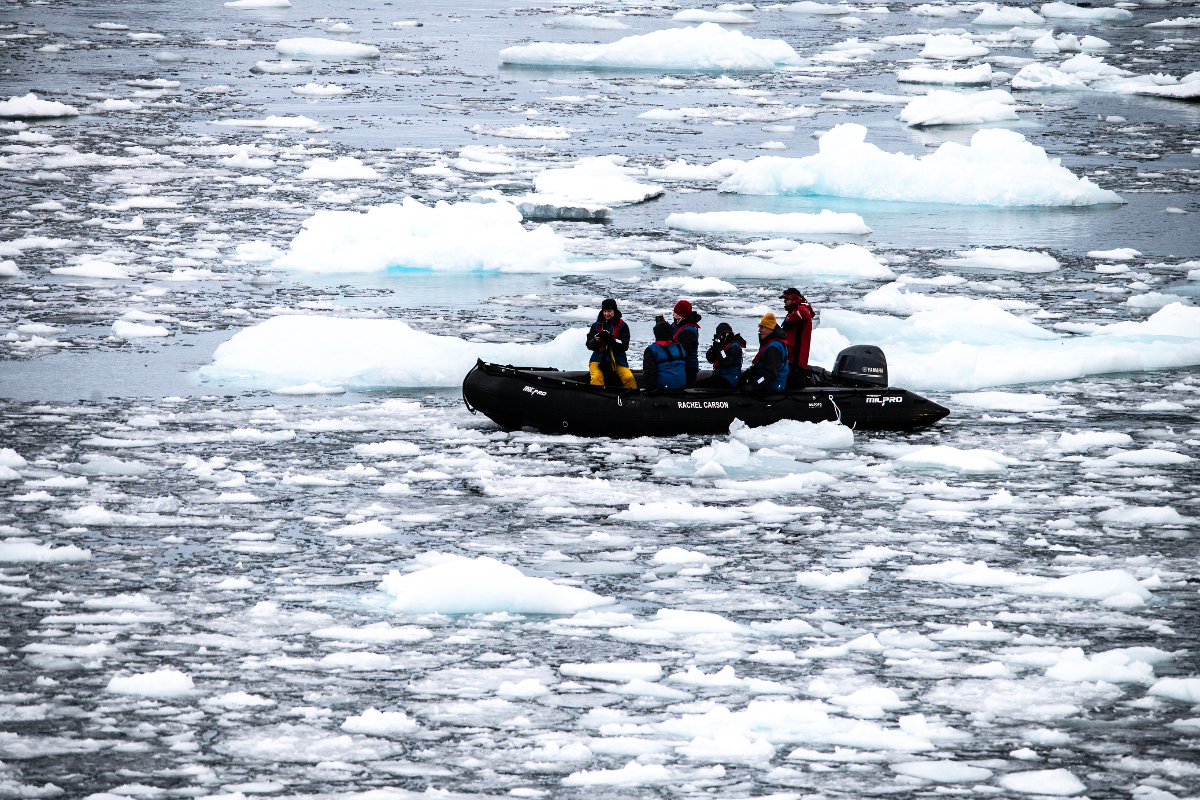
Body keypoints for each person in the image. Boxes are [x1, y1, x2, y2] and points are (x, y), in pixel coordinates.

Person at [586, 298, 637, 388]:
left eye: (609, 311)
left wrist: (611, 340)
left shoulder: (622, 326)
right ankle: (598, 399)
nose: (607, 314)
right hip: (598, 359)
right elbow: (589, 345)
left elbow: (624, 346)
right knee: (596, 377)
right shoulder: (596, 325)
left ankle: (632, 399)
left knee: (629, 378)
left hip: (618, 359)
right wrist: (596, 340)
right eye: (605, 311)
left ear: (614, 311)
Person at [740, 313, 789, 391]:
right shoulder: (770, 341)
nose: (759, 331)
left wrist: (753, 386)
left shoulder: (773, 348)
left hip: (771, 385)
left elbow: (771, 374)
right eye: (759, 327)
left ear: (771, 329)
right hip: (764, 379)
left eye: (763, 328)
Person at [780, 287, 814, 389]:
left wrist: (787, 319)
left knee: (793, 386)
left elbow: (804, 314)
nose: (784, 302)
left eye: (787, 299)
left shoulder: (802, 309)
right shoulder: (795, 310)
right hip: (790, 357)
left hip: (796, 359)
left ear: (794, 299)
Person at [695, 322, 745, 389]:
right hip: (720, 376)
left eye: (723, 334)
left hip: (730, 379)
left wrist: (719, 349)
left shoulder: (734, 347)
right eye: (719, 335)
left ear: (729, 333)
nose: (721, 337)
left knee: (699, 385)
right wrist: (713, 349)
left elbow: (726, 363)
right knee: (697, 384)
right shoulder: (722, 345)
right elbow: (710, 360)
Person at [642, 321, 686, 392]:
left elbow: (649, 371)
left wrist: (650, 390)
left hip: (663, 387)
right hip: (681, 385)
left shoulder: (652, 349)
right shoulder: (679, 346)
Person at [668, 299, 702, 387]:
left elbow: (682, 351)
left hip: (687, 367)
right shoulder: (676, 325)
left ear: (681, 315)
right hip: (678, 366)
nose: (673, 315)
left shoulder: (688, 331)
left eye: (675, 313)